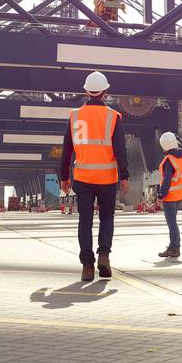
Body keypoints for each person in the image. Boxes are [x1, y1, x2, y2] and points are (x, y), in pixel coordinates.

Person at [60, 71, 128, 280]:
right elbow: (120, 150)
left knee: (85, 221)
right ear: (105, 92)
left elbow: (67, 150)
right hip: (107, 178)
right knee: (107, 217)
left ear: (86, 91)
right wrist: (124, 176)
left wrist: (63, 177)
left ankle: (87, 266)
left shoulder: (74, 116)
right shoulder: (113, 117)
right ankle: (104, 256)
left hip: (83, 178)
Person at [157, 131, 182, 259]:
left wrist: (160, 196)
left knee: (172, 223)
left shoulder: (168, 160)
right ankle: (174, 246)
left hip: (170, 196)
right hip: (180, 194)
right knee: (173, 222)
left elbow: (167, 180)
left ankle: (174, 248)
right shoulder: (180, 155)